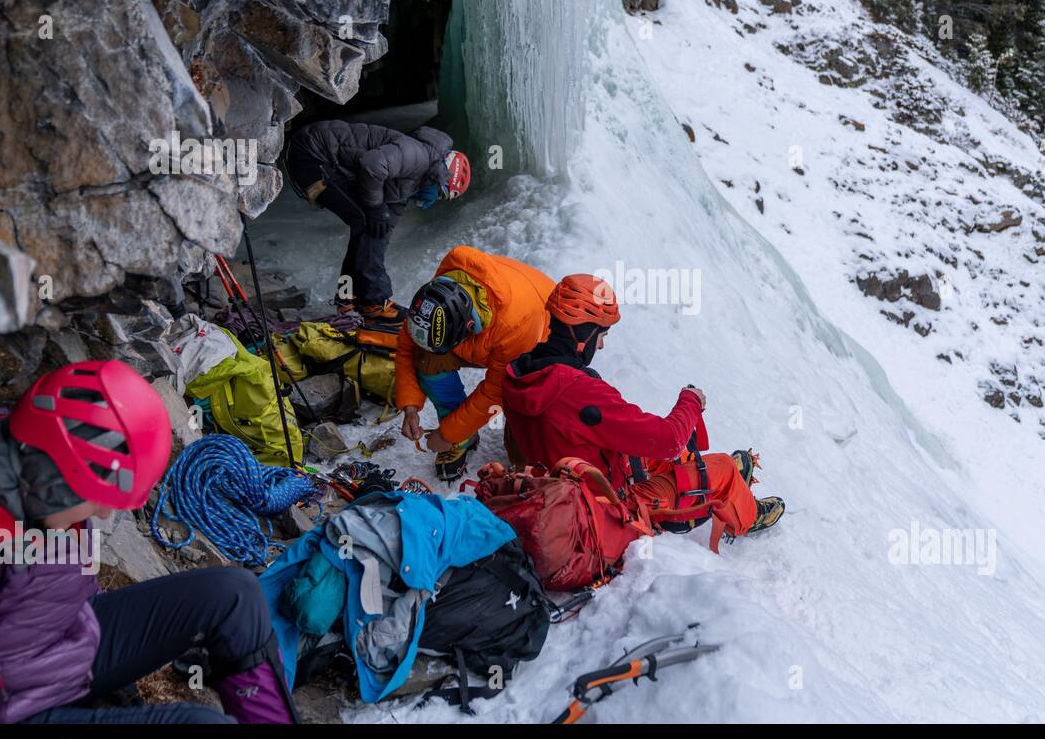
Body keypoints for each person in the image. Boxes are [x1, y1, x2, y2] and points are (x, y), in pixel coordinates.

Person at [0, 360, 297, 724]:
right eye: (97, 497)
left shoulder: (41, 494)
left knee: (234, 595)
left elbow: (60, 597)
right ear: (58, 477)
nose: (104, 515)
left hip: (59, 652)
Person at [501, 274, 784, 551]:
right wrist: (691, 401)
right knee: (720, 466)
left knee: (663, 454)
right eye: (601, 335)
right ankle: (746, 514)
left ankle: (719, 480)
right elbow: (668, 439)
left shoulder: (520, 373)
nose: (600, 345)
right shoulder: (577, 391)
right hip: (606, 512)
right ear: (583, 334)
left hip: (568, 484)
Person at [396, 246, 556, 481]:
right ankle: (463, 437)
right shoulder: (433, 301)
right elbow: (406, 349)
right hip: (490, 326)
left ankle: (461, 432)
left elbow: (496, 392)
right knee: (425, 355)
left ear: (468, 329)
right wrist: (409, 406)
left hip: (538, 342)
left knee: (523, 459)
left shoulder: (518, 323)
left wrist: (447, 433)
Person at [286, 120, 471, 321]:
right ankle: (374, 302)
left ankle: (348, 298)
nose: (435, 199)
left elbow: (378, 238)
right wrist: (375, 208)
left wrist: (377, 220)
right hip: (310, 155)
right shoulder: (417, 155)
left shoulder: (409, 189)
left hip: (324, 163)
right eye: (441, 193)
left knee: (369, 232)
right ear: (440, 176)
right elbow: (372, 164)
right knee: (365, 220)